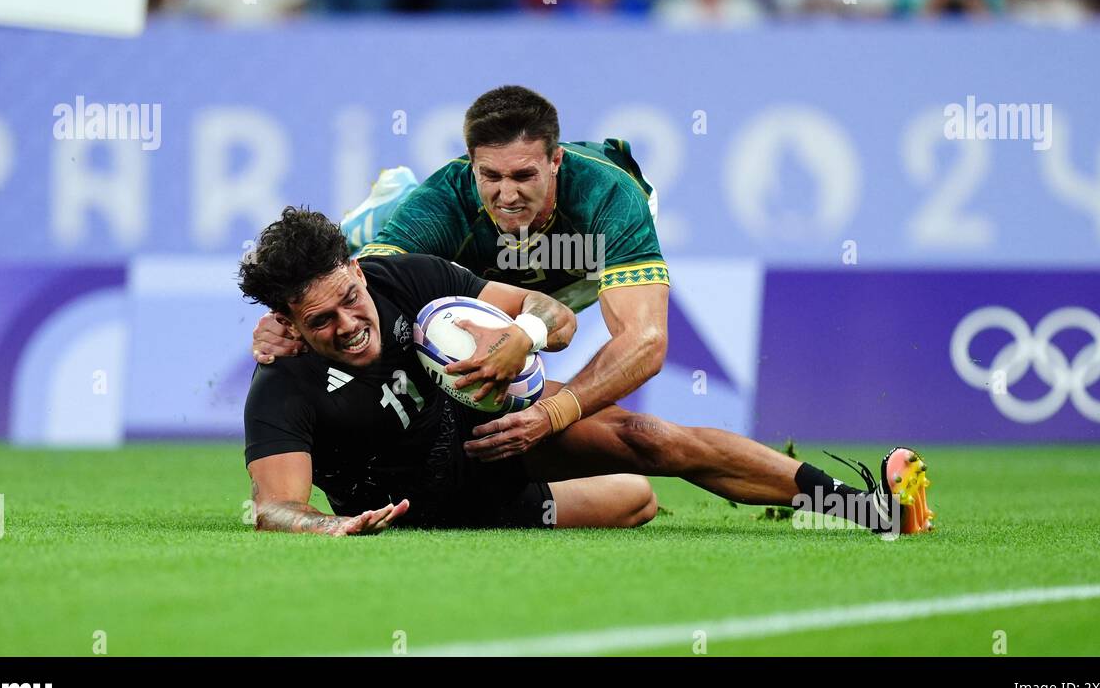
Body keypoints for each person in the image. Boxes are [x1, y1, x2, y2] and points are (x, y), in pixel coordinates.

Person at [238, 207, 934, 536]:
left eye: (349, 299)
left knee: (649, 437)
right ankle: (764, 490)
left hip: (498, 437)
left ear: (357, 270)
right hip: (445, 510)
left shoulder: (402, 278)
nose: (347, 324)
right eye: (320, 321)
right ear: (288, 322)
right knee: (635, 499)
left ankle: (867, 509)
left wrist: (524, 334)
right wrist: (331, 527)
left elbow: (553, 314)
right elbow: (273, 506)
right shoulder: (283, 381)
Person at [254, 85, 670, 459]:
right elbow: (368, 290)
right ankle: (372, 223)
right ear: (471, 164)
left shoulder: (609, 194)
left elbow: (645, 342)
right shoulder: (441, 203)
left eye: (524, 175)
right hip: (478, 272)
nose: (507, 194)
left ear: (556, 161)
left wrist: (553, 413)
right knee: (392, 274)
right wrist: (281, 323)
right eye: (490, 175)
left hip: (578, 272)